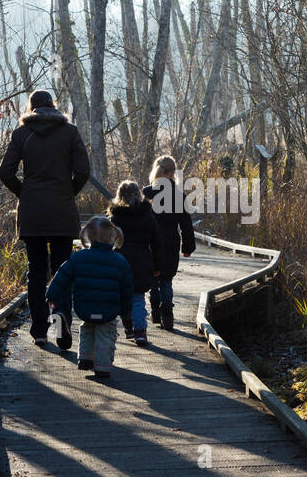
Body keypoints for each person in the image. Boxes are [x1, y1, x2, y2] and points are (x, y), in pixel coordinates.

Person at [0, 89, 90, 347]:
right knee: (63, 269)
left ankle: (39, 330)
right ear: (53, 106)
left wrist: (25, 194)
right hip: (61, 210)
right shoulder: (70, 132)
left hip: (32, 213)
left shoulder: (21, 133)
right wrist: (68, 192)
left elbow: (5, 172)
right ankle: (61, 321)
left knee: (36, 271)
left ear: (31, 108)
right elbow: (83, 170)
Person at [46, 217, 133, 382]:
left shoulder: (78, 258)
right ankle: (102, 368)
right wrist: (126, 311)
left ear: (89, 237)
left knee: (87, 329)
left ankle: (85, 359)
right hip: (108, 309)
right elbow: (127, 289)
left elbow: (61, 276)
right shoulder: (120, 261)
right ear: (112, 237)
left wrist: (52, 296)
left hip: (84, 307)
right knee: (105, 336)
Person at [142, 155, 196, 331]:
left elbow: (139, 221)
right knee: (166, 280)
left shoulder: (146, 196)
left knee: (153, 279)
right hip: (171, 242)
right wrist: (188, 247)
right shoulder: (179, 196)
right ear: (173, 173)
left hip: (150, 243)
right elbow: (186, 224)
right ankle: (167, 315)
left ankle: (155, 313)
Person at [107, 180, 163, 346]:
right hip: (142, 261)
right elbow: (157, 243)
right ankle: (140, 332)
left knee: (123, 298)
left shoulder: (115, 217)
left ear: (119, 195)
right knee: (138, 299)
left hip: (119, 262)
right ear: (139, 194)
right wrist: (157, 266)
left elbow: (107, 241)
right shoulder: (148, 216)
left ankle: (129, 328)